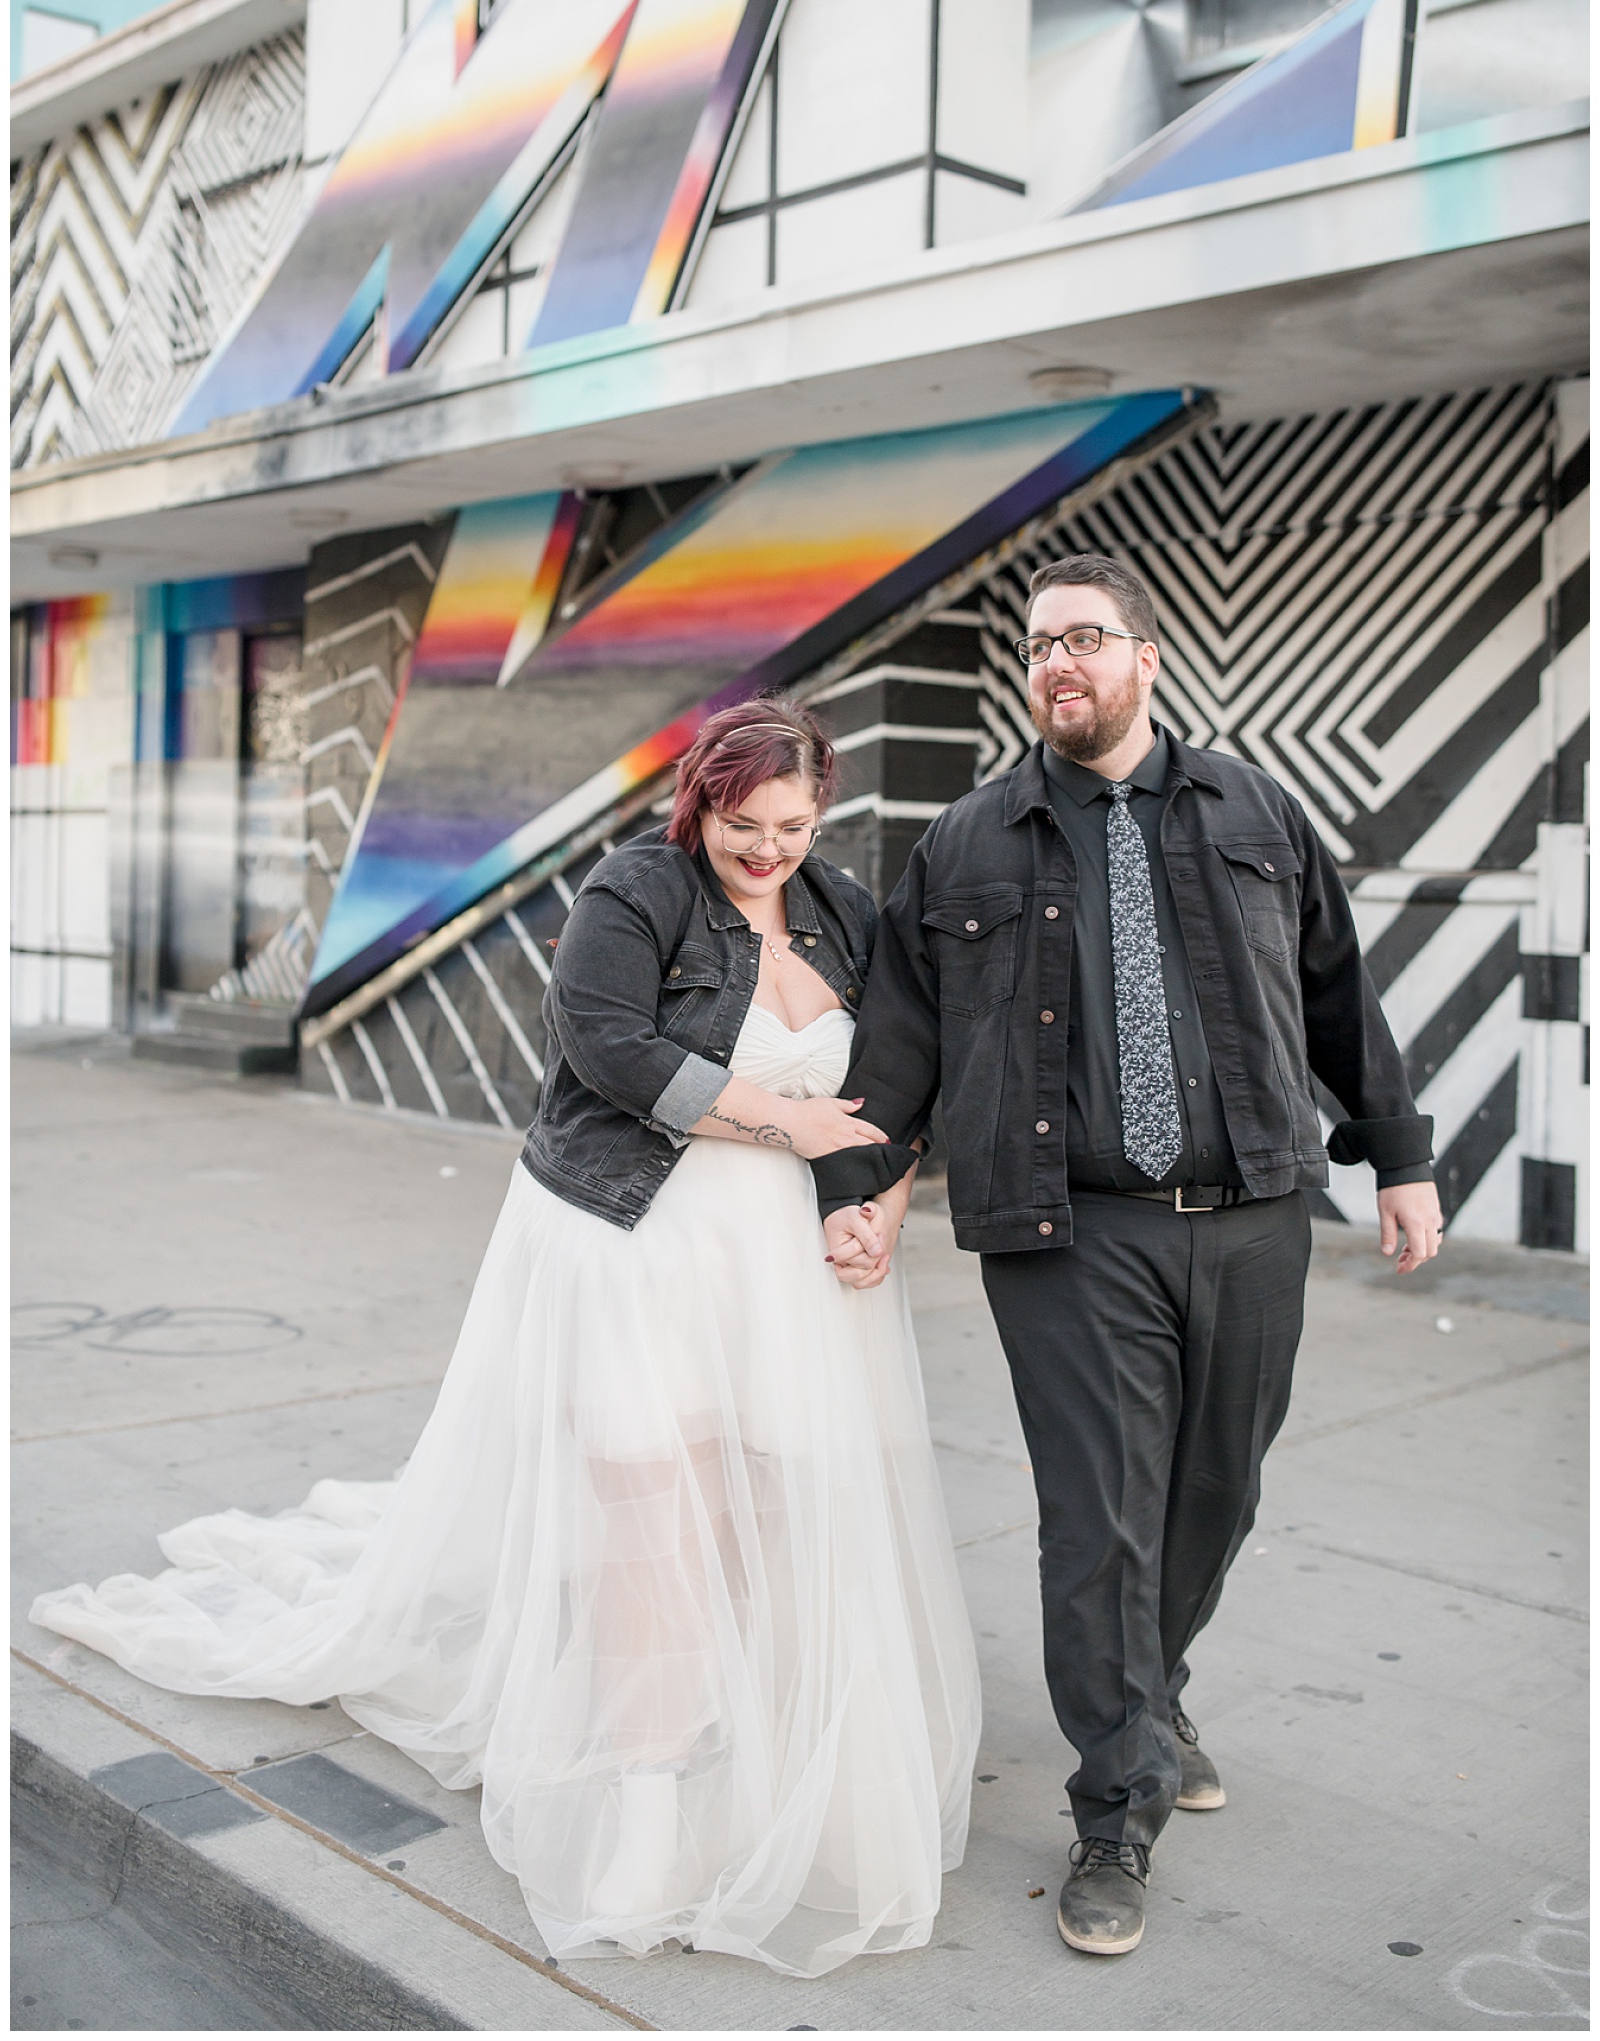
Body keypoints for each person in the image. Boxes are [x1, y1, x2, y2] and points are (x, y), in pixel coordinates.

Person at [32, 697, 980, 1981]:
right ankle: (645, 1804)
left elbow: (896, 1077)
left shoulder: (846, 909)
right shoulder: (635, 890)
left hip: (786, 1271)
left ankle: (750, 1754)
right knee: (650, 1519)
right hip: (636, 1239)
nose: (767, 851)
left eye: (794, 827)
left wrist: (874, 1204)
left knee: (764, 1514)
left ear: (825, 814)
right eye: (743, 824)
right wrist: (790, 1126)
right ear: (699, 801)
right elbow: (605, 1047)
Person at [815, 553, 1443, 1959]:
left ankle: (1150, 1697)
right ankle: (1115, 1808)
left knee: (1215, 1491)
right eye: (1040, 643)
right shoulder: (967, 840)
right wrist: (858, 1187)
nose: (1059, 661)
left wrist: (1398, 1155)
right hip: (1068, 1226)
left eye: (1087, 637)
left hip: (1255, 1210)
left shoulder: (1256, 809)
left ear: (1146, 658)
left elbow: (1335, 992)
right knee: (1098, 1517)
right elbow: (901, 1034)